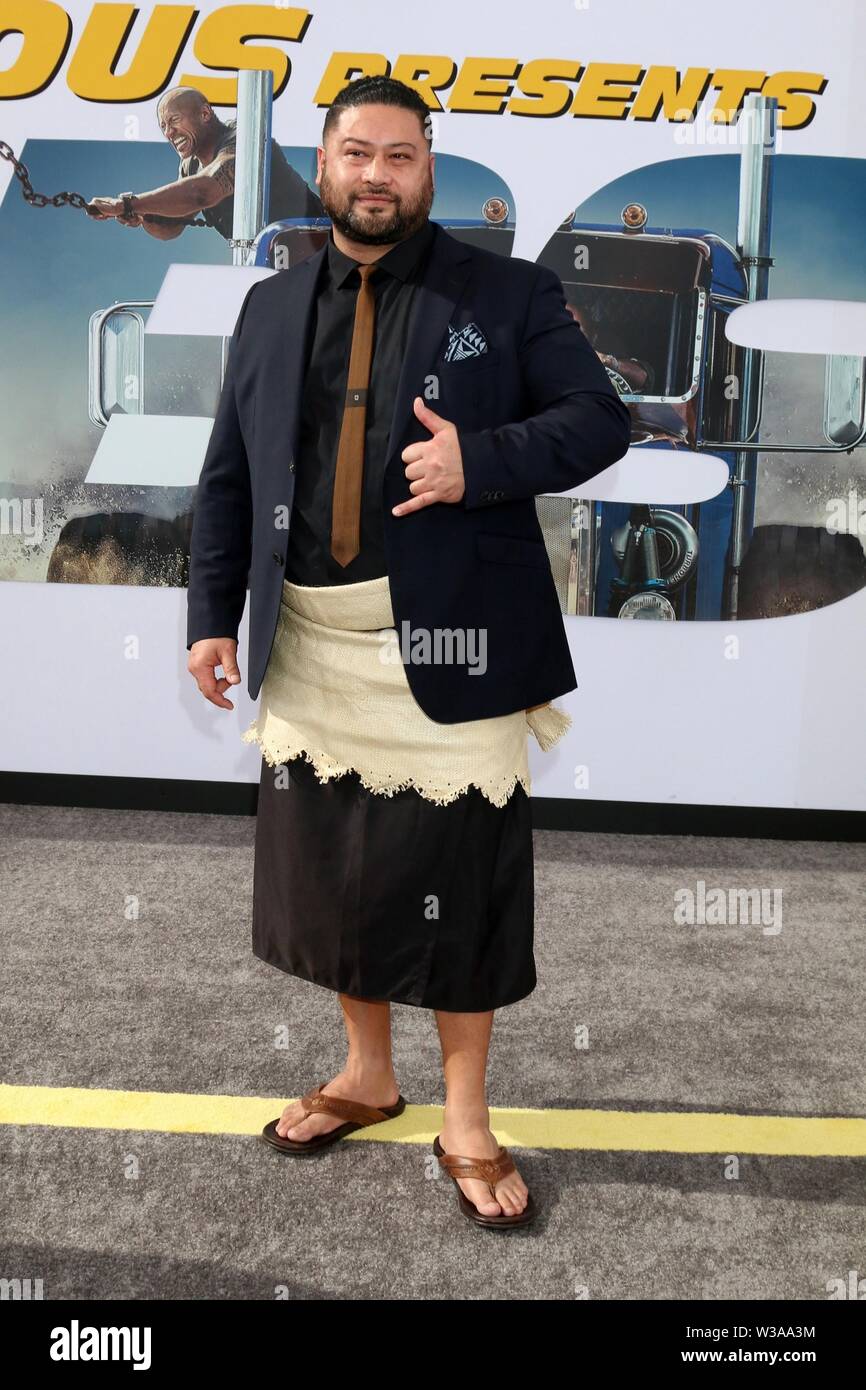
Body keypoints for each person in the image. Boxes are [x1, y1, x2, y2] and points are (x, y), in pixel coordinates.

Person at [186, 76, 631, 1229]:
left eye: (398, 155)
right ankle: (366, 1075)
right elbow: (228, 473)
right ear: (323, 166)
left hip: (455, 640)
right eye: (353, 153)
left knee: (464, 887)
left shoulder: (508, 291)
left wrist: (476, 462)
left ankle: (466, 1118)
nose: (374, 174)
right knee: (340, 877)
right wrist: (207, 615)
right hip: (313, 638)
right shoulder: (271, 305)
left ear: (427, 168)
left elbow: (597, 418)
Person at [86, 86, 322, 239]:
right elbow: (172, 227)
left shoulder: (245, 140)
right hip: (272, 266)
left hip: (321, 254)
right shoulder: (190, 165)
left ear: (205, 114)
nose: (169, 133)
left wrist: (127, 204)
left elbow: (202, 193)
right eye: (163, 127)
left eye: (174, 120)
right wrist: (142, 213)